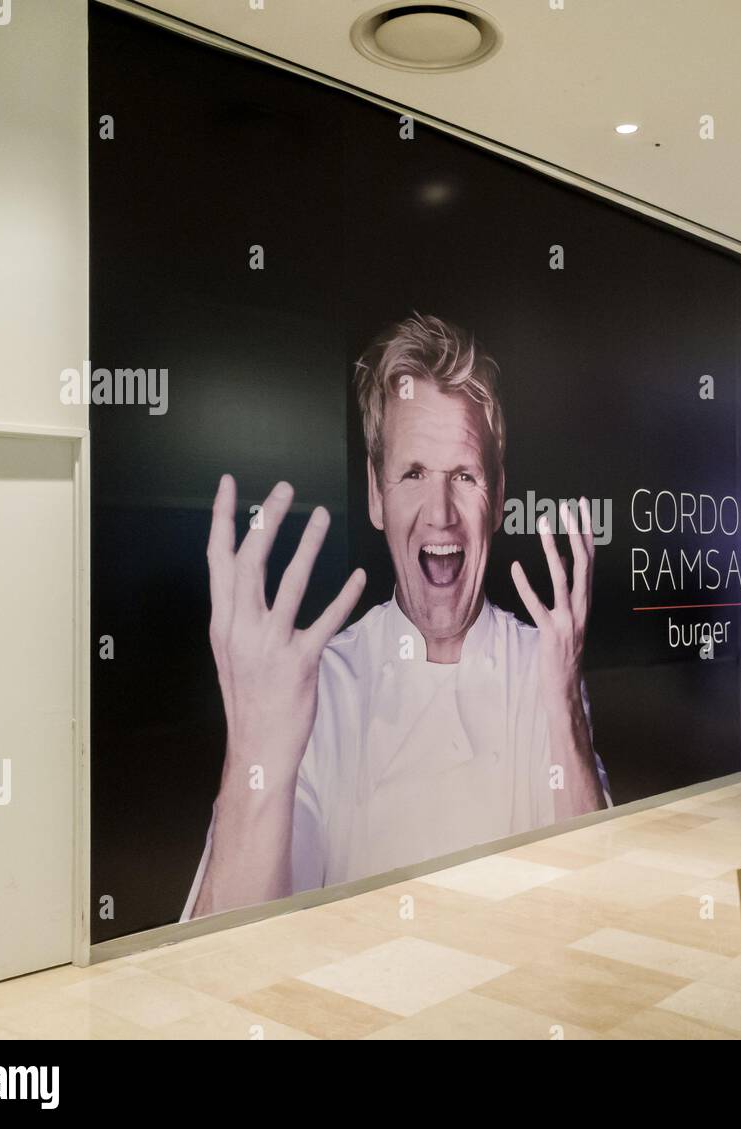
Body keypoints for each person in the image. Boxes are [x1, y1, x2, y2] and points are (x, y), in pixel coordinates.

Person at [183, 313, 609, 920]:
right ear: (376, 494)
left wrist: (566, 708)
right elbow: (227, 953)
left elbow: (594, 910)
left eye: (464, 476)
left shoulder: (542, 667)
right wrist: (253, 747)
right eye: (413, 473)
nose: (440, 513)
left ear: (498, 499)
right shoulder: (318, 683)